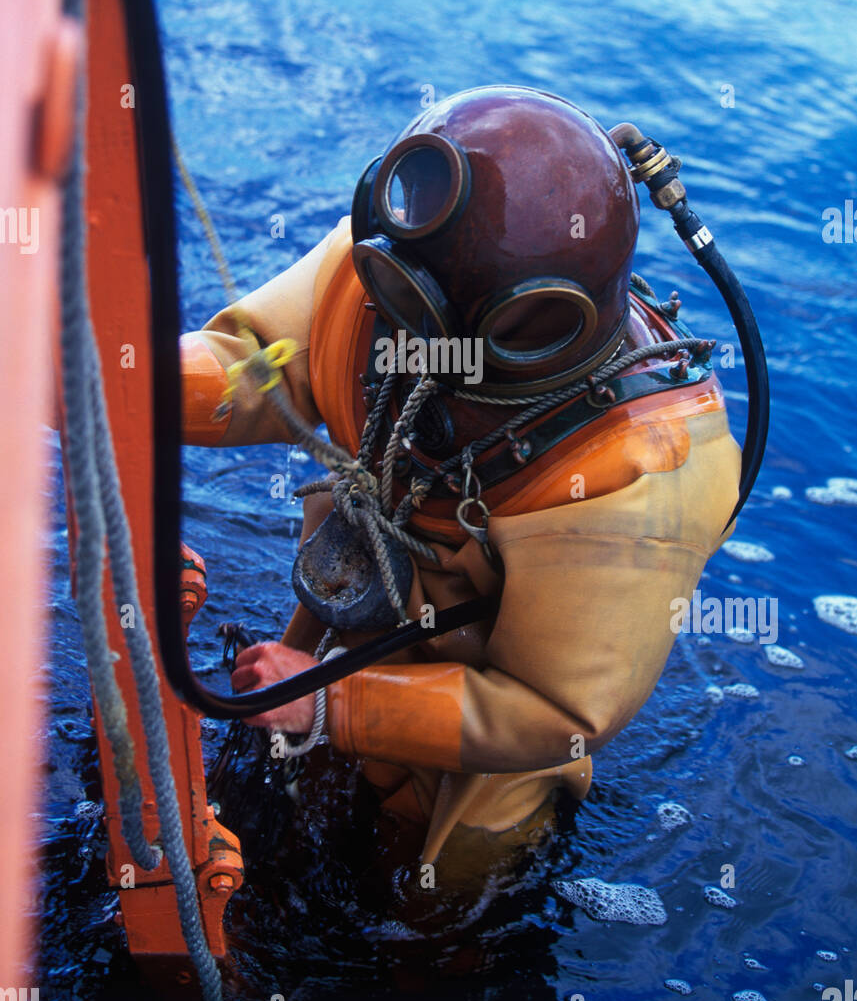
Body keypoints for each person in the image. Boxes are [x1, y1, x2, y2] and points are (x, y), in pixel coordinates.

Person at [180, 85, 740, 884]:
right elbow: (257, 362)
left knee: (442, 901)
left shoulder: (641, 472)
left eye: (423, 324)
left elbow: (553, 710)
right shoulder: (376, 273)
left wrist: (330, 706)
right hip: (356, 625)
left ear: (536, 322)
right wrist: (117, 385)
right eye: (394, 302)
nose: (401, 340)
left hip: (485, 747)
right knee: (288, 808)